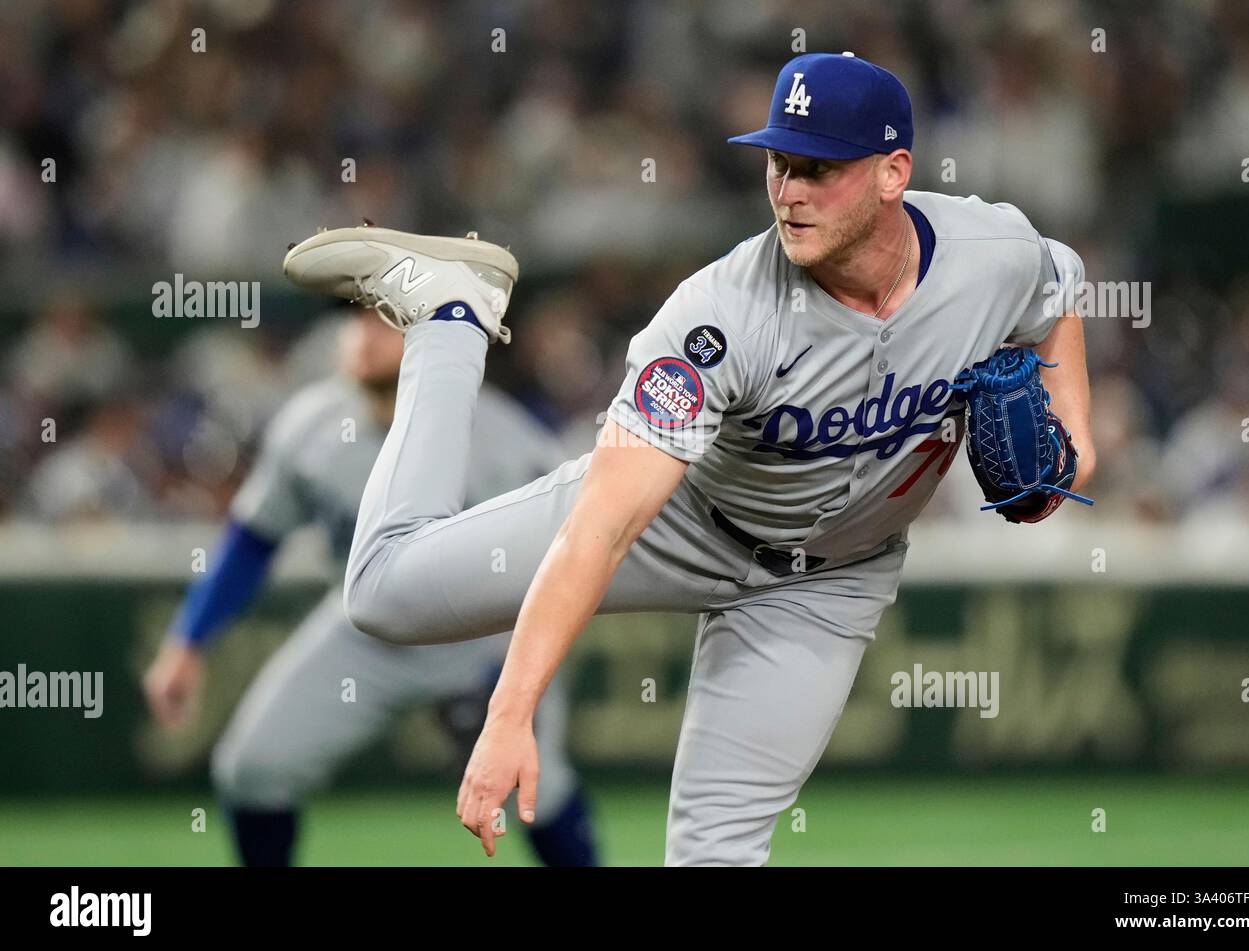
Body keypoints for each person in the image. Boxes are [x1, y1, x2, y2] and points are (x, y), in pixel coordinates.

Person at [283, 53, 1095, 866]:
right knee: (383, 593)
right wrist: (509, 714)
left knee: (717, 852)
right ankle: (450, 316)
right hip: (676, 524)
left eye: (820, 169)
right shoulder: (720, 318)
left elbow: (1057, 286)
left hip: (827, 584)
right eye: (780, 163)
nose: (789, 190)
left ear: (893, 174)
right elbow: (602, 528)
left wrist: (1076, 444)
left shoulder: (990, 250)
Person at [142, 308, 599, 866]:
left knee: (536, 787)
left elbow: (574, 544)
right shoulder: (312, 425)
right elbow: (254, 540)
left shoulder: (502, 434)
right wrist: (188, 640)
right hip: (364, 631)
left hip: (483, 635)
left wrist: (518, 662)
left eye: (386, 323)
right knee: (252, 769)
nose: (363, 336)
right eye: (356, 321)